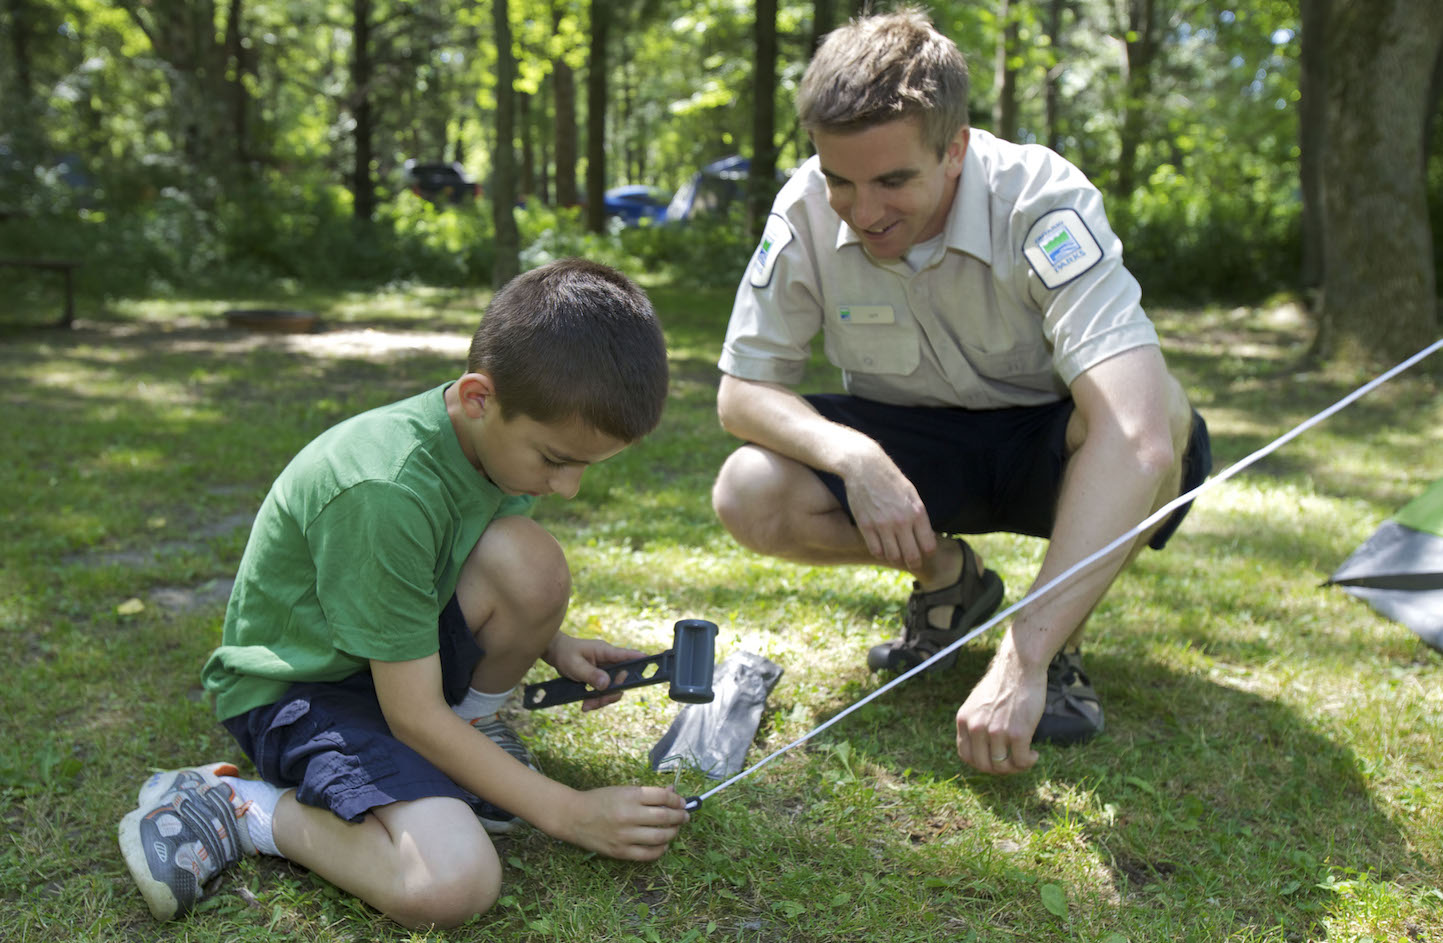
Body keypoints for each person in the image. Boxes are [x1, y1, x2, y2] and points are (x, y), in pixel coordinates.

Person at [117, 258, 691, 929]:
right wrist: (568, 810)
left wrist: (553, 644)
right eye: (557, 461)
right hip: (301, 693)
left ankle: (468, 738)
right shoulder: (385, 489)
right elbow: (411, 712)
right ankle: (233, 808)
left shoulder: (492, 445)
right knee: (450, 881)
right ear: (479, 398)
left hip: (393, 665)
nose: (567, 488)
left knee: (530, 562)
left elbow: (452, 568)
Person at [711, 9, 1211, 777]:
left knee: (1161, 414)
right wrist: (855, 459)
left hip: (1046, 443)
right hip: (908, 448)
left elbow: (1139, 434)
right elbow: (742, 391)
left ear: (955, 150)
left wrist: (1020, 657)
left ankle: (1053, 638)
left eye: (892, 180)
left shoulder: (1042, 202)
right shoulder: (803, 204)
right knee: (747, 486)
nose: (863, 209)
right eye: (839, 178)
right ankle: (950, 583)